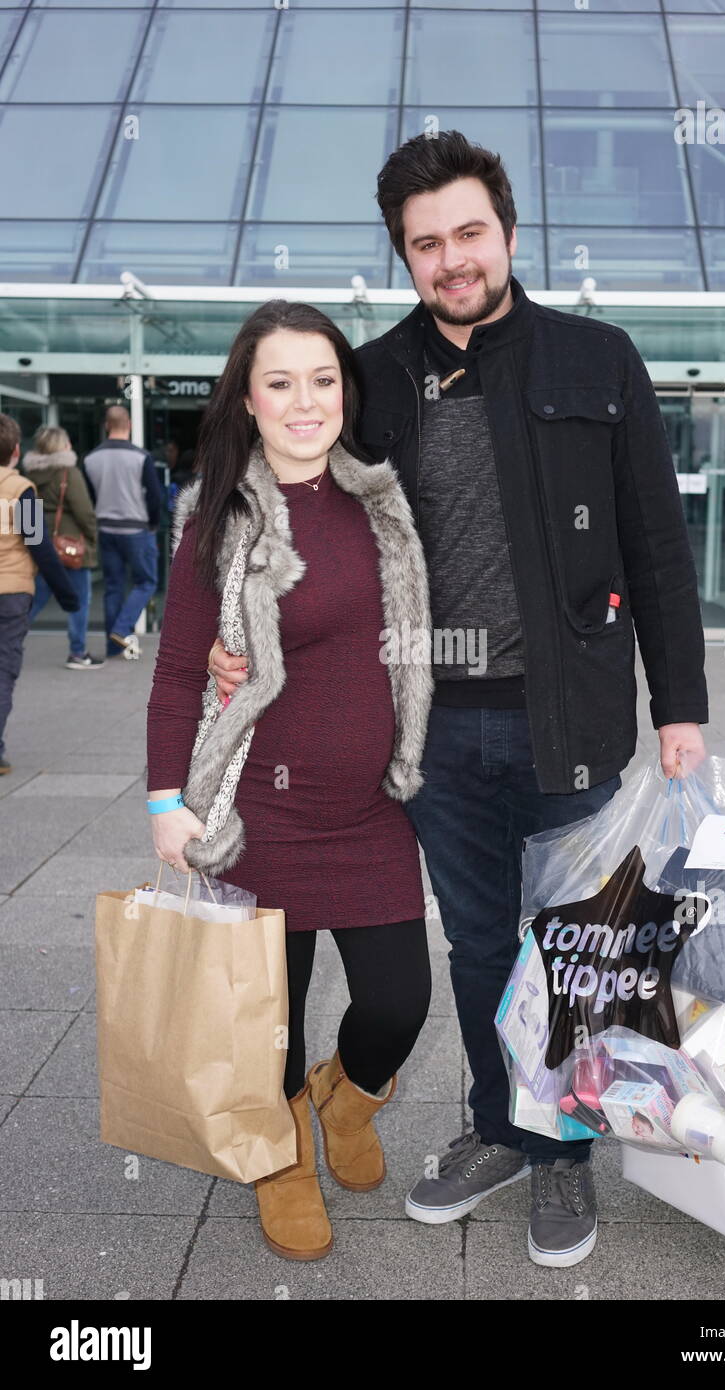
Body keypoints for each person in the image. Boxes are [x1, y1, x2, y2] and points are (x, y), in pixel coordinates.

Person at [208, 131, 709, 1268]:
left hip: (566, 713)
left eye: (467, 233)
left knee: (573, 944)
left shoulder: (595, 358)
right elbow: (291, 522)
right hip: (428, 723)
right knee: (482, 945)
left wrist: (679, 702)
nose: (451, 259)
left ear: (508, 232)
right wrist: (234, 645)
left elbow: (657, 543)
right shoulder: (370, 377)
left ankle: (563, 1156)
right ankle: (502, 1126)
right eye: (425, 244)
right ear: (404, 256)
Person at [145, 299, 434, 1262]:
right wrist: (163, 804)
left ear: (345, 391)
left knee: (398, 1003)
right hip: (260, 814)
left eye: (323, 379)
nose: (305, 401)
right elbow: (181, 670)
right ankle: (282, 1159)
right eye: (281, 382)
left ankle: (344, 1099)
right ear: (249, 398)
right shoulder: (217, 518)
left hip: (368, 812)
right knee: (266, 1018)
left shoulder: (383, 501)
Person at [0, 414, 80, 773]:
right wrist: (66, 595)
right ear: (16, 451)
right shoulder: (21, 490)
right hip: (10, 593)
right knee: (3, 671)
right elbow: (39, 545)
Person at [82, 405, 161, 662]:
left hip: (106, 528)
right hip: (136, 529)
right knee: (146, 582)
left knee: (113, 586)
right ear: (128, 424)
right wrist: (153, 523)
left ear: (107, 425)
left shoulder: (90, 459)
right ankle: (121, 628)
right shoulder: (141, 457)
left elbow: (90, 496)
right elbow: (155, 497)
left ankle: (113, 646)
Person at [24, 425, 102, 669]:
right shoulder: (69, 473)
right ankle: (78, 652)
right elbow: (85, 512)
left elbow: (26, 517)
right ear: (63, 446)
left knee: (34, 600)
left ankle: (8, 640)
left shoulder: (27, 477)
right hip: (70, 549)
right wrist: (91, 539)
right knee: (78, 600)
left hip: (40, 547)